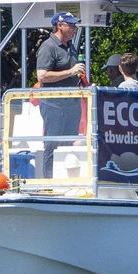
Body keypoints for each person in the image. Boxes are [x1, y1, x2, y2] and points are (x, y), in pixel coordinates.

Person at [36, 12, 86, 175]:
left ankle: (64, 180)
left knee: (68, 145)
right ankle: (49, 182)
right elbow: (42, 76)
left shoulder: (70, 46)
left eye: (74, 25)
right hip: (54, 105)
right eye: (71, 25)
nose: (74, 28)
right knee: (52, 145)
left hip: (71, 104)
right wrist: (71, 72)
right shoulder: (48, 46)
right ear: (60, 26)